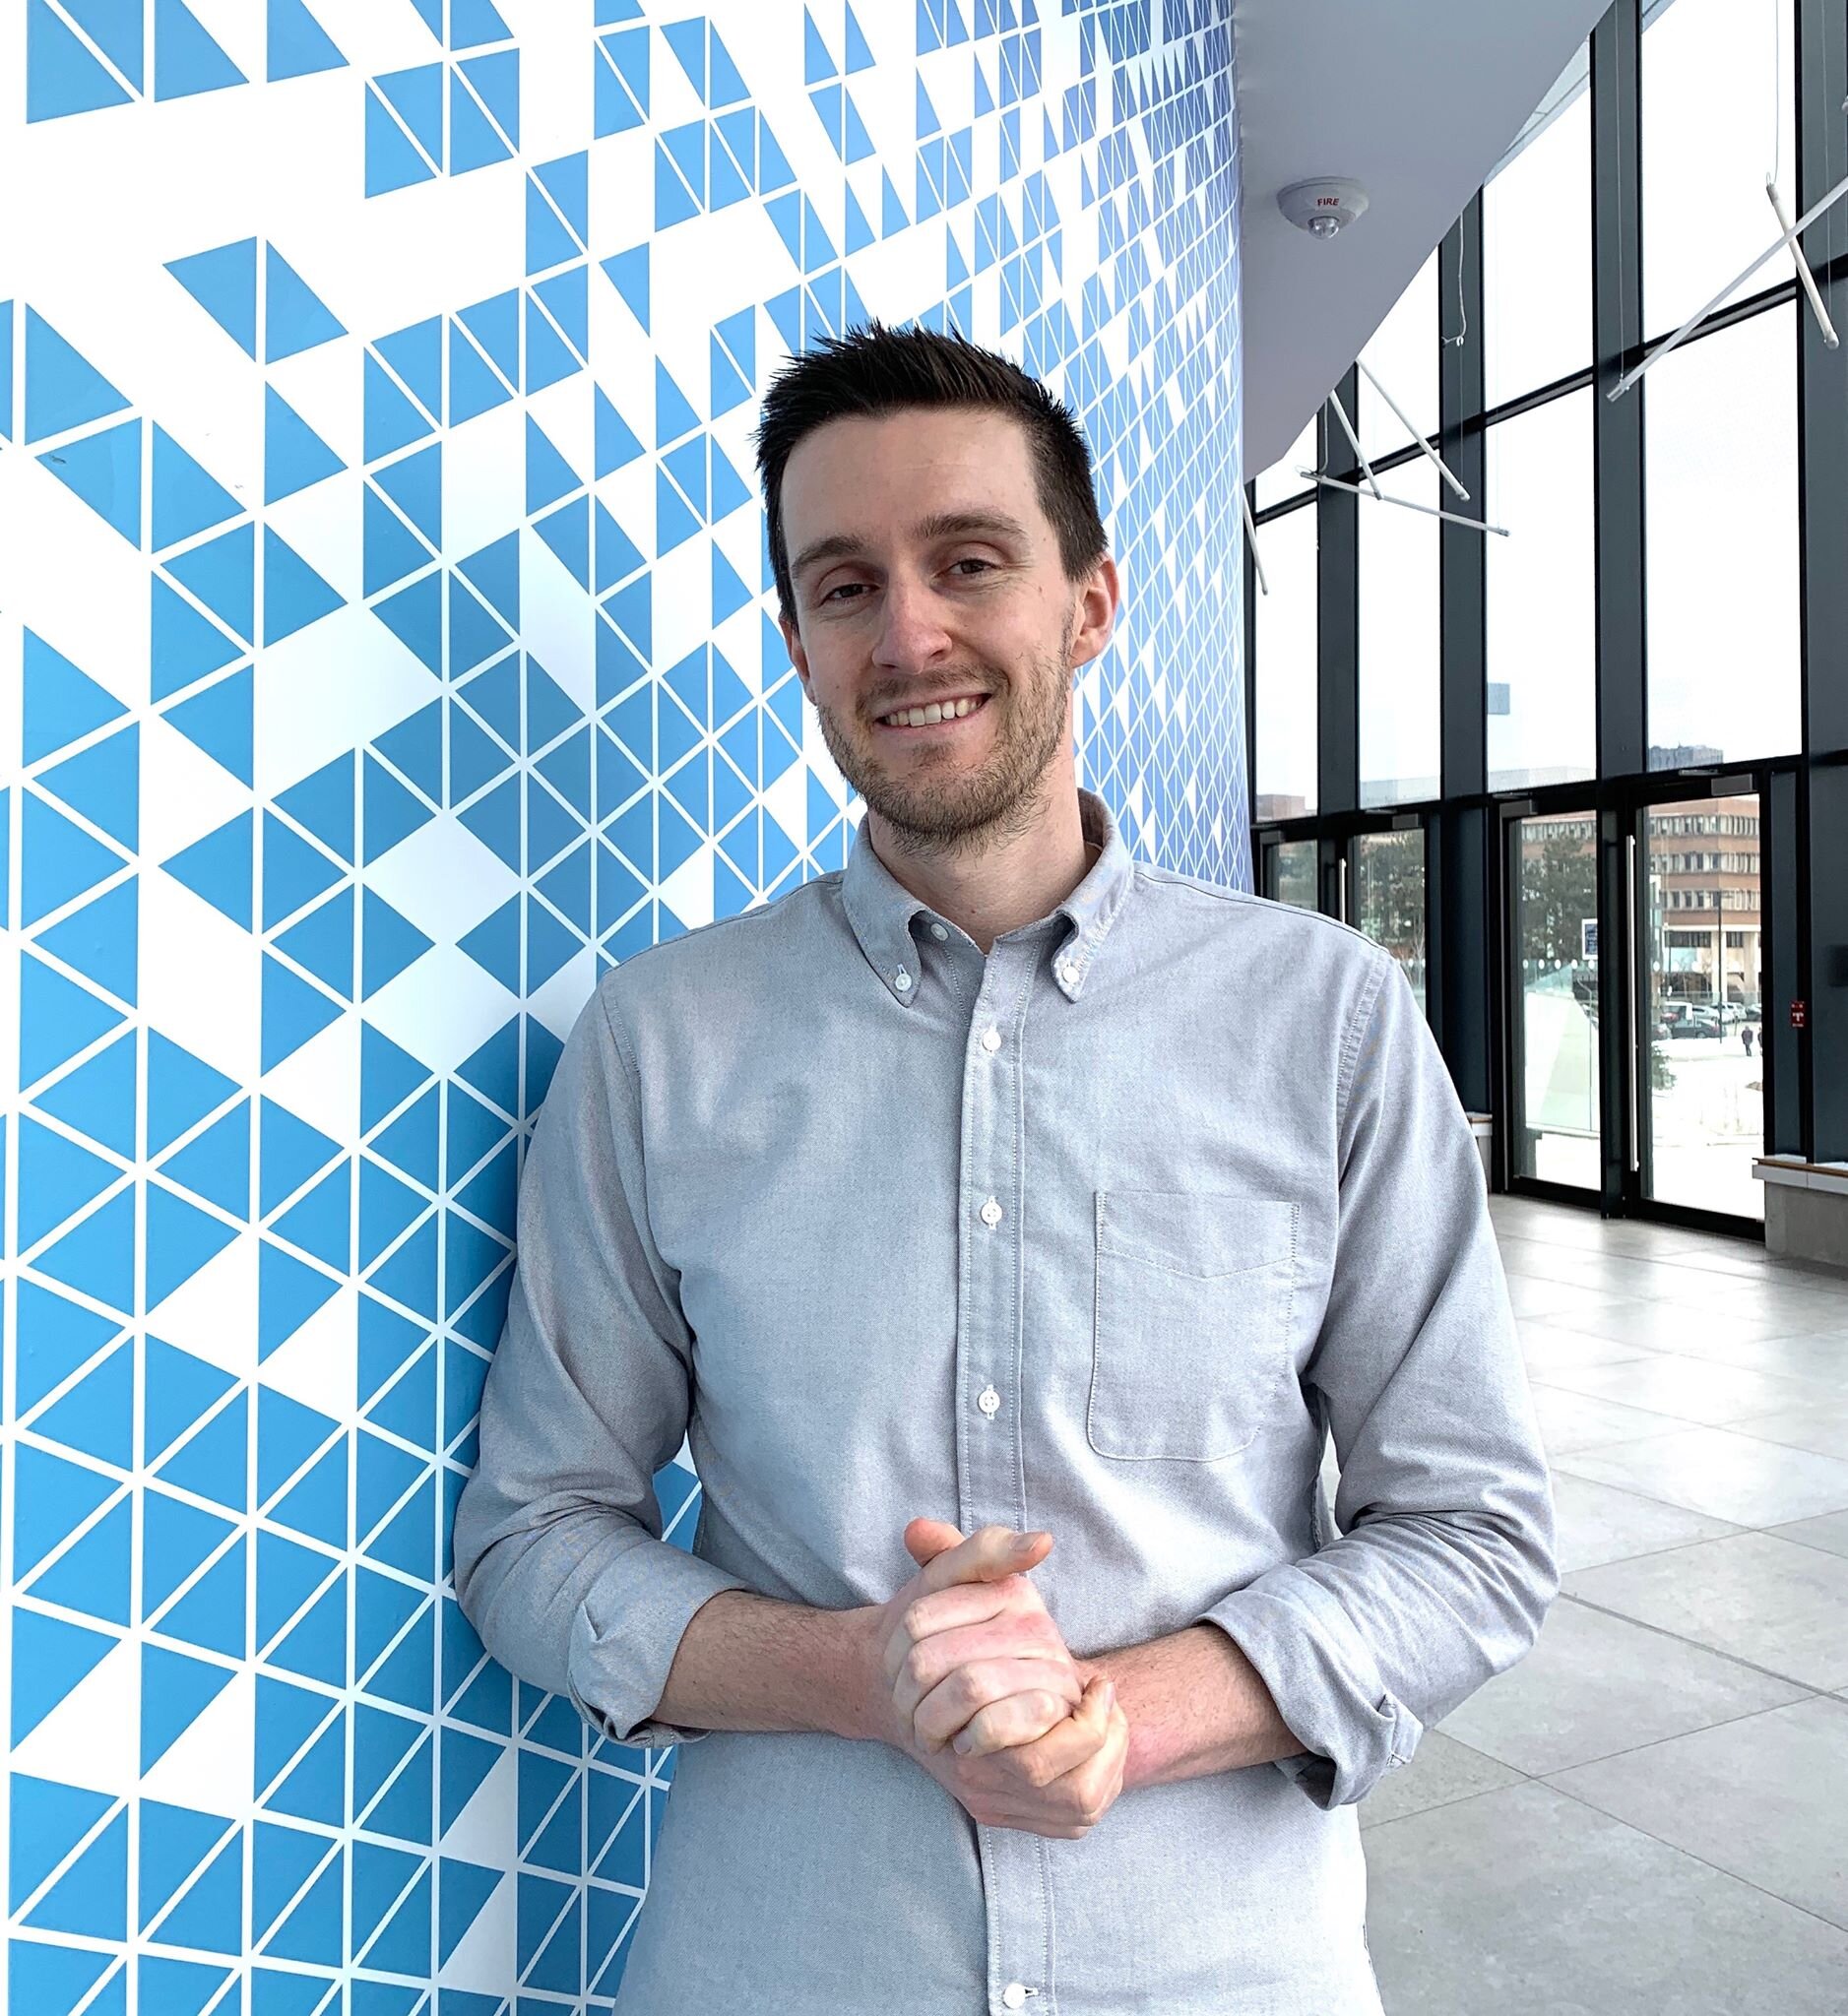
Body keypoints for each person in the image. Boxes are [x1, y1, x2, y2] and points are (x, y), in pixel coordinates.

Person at [451, 322, 1559, 2015]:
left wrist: (1126, 1719)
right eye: (843, 586)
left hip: (1220, 1968)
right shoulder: (658, 1041)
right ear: (799, 645)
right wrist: (859, 1676)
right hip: (782, 1969)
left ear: (1088, 603)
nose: (907, 634)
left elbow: (1472, 1534)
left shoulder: (1322, 1016)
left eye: (968, 561)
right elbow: (531, 1538)